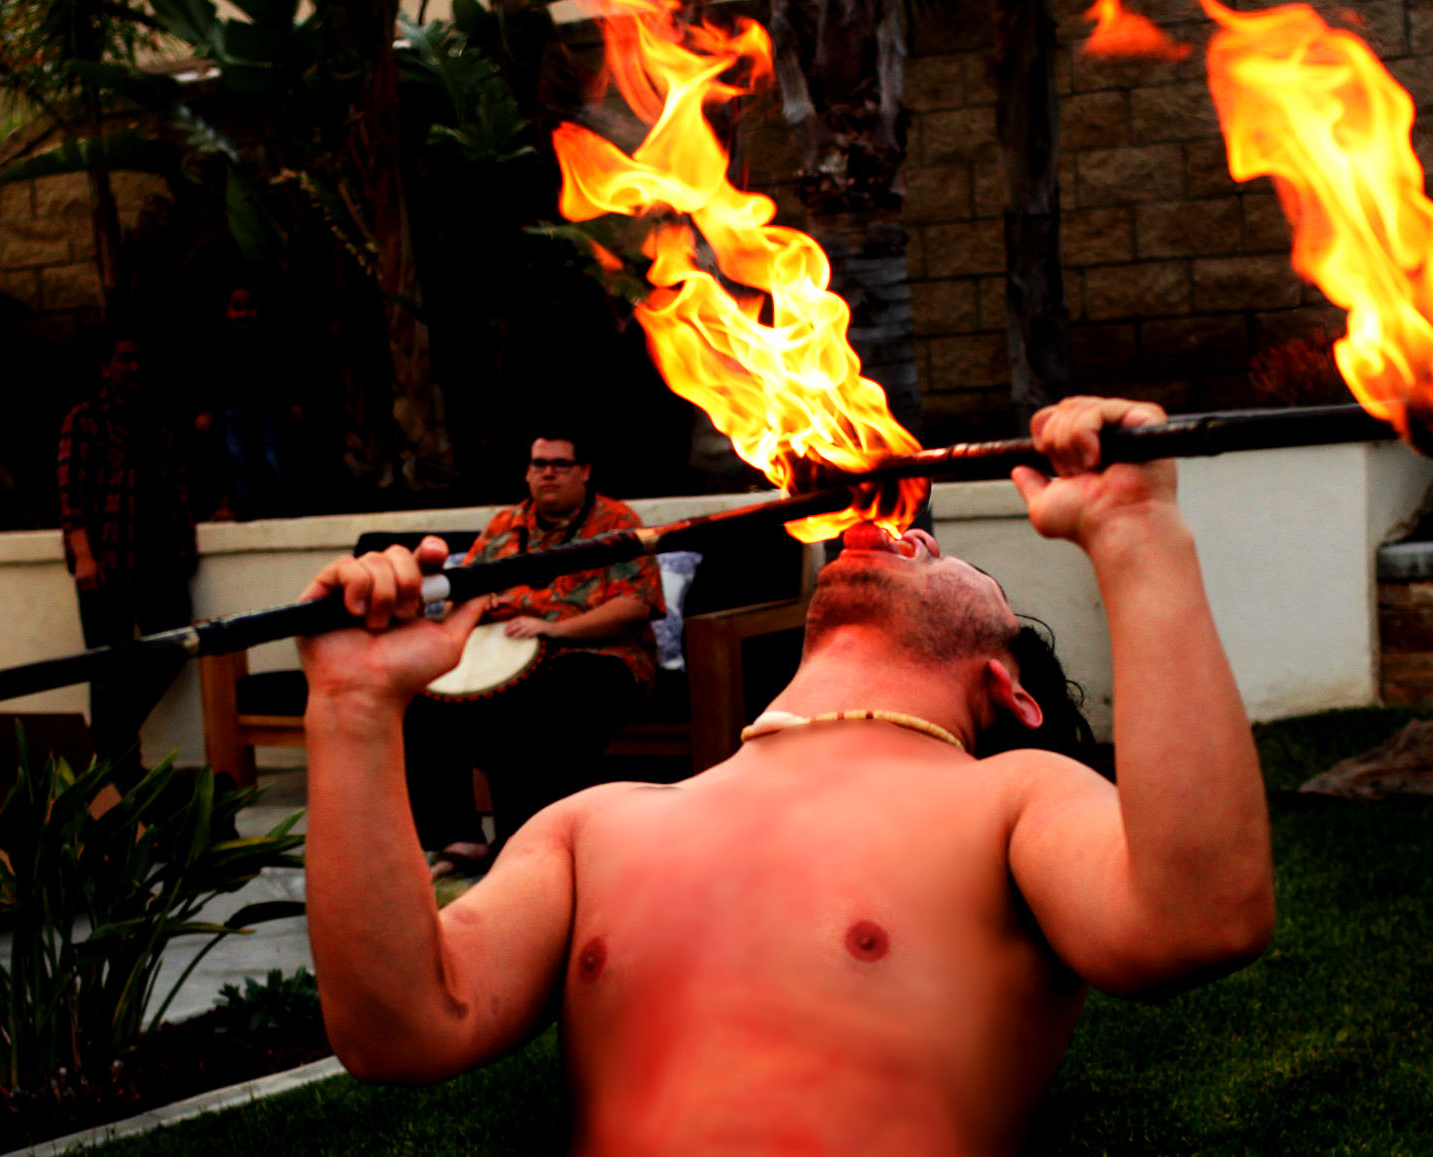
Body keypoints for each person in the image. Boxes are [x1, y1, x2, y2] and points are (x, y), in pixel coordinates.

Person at [293, 396, 1275, 1154]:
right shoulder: (594, 821)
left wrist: (1133, 537)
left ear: (1005, 688)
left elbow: (1198, 918)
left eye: (951, 557)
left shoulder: (1009, 798)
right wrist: (350, 709)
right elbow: (401, 1030)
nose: (912, 532)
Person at [404, 430, 665, 869]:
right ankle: (457, 839)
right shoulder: (505, 525)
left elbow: (635, 605)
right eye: (538, 464)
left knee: (539, 702)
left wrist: (554, 630)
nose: (548, 472)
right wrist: (479, 604)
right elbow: (463, 591)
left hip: (598, 658)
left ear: (583, 472)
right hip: (510, 660)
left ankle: (523, 847)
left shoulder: (617, 521)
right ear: (527, 473)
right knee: (424, 700)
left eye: (560, 464)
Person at [57, 336, 198, 767]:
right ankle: (118, 773)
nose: (135, 368)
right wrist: (83, 555)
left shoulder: (157, 420)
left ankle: (109, 741)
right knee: (105, 670)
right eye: (125, 360)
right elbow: (70, 494)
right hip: (107, 562)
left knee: (178, 646)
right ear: (106, 367)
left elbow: (178, 482)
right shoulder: (84, 419)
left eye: (140, 359)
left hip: (161, 558)